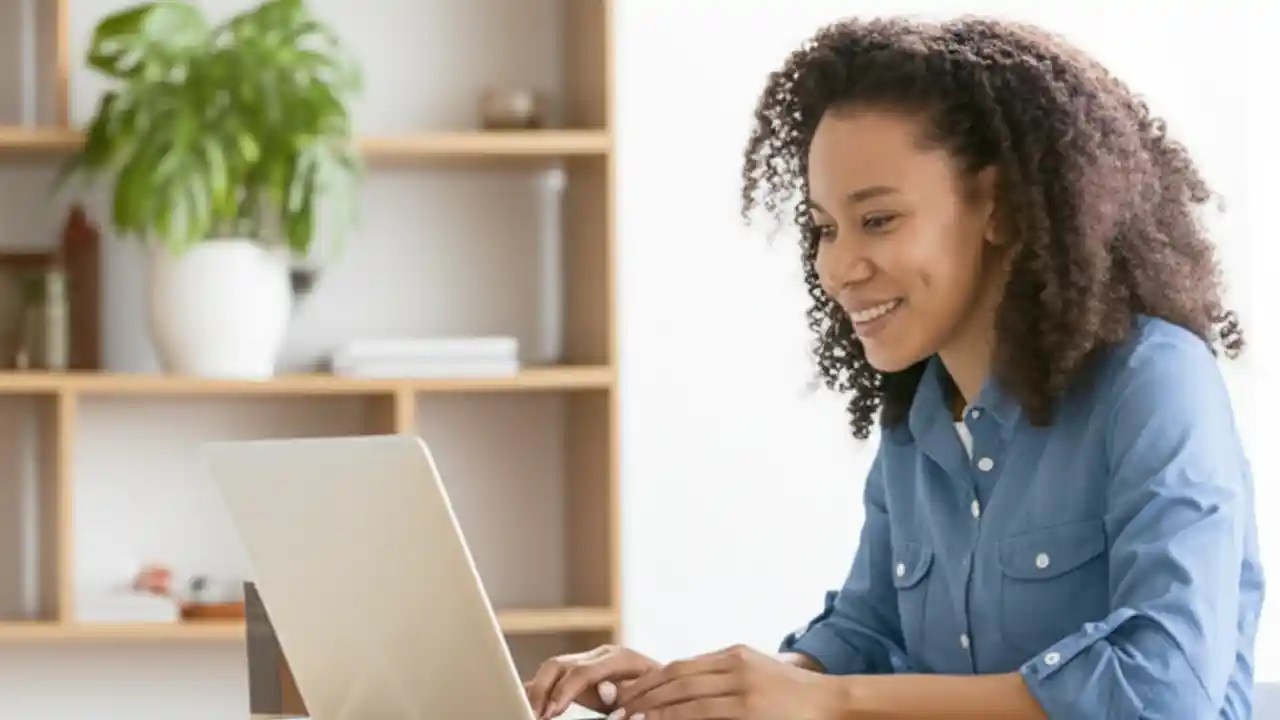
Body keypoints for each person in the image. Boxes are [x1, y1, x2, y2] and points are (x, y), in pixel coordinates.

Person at [525, 14, 1264, 720]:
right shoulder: (919, 422)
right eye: (823, 229)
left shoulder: (1154, 383)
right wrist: (691, 691)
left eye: (878, 219)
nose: (839, 266)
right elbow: (867, 639)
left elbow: (1163, 688)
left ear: (999, 206)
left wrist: (825, 703)